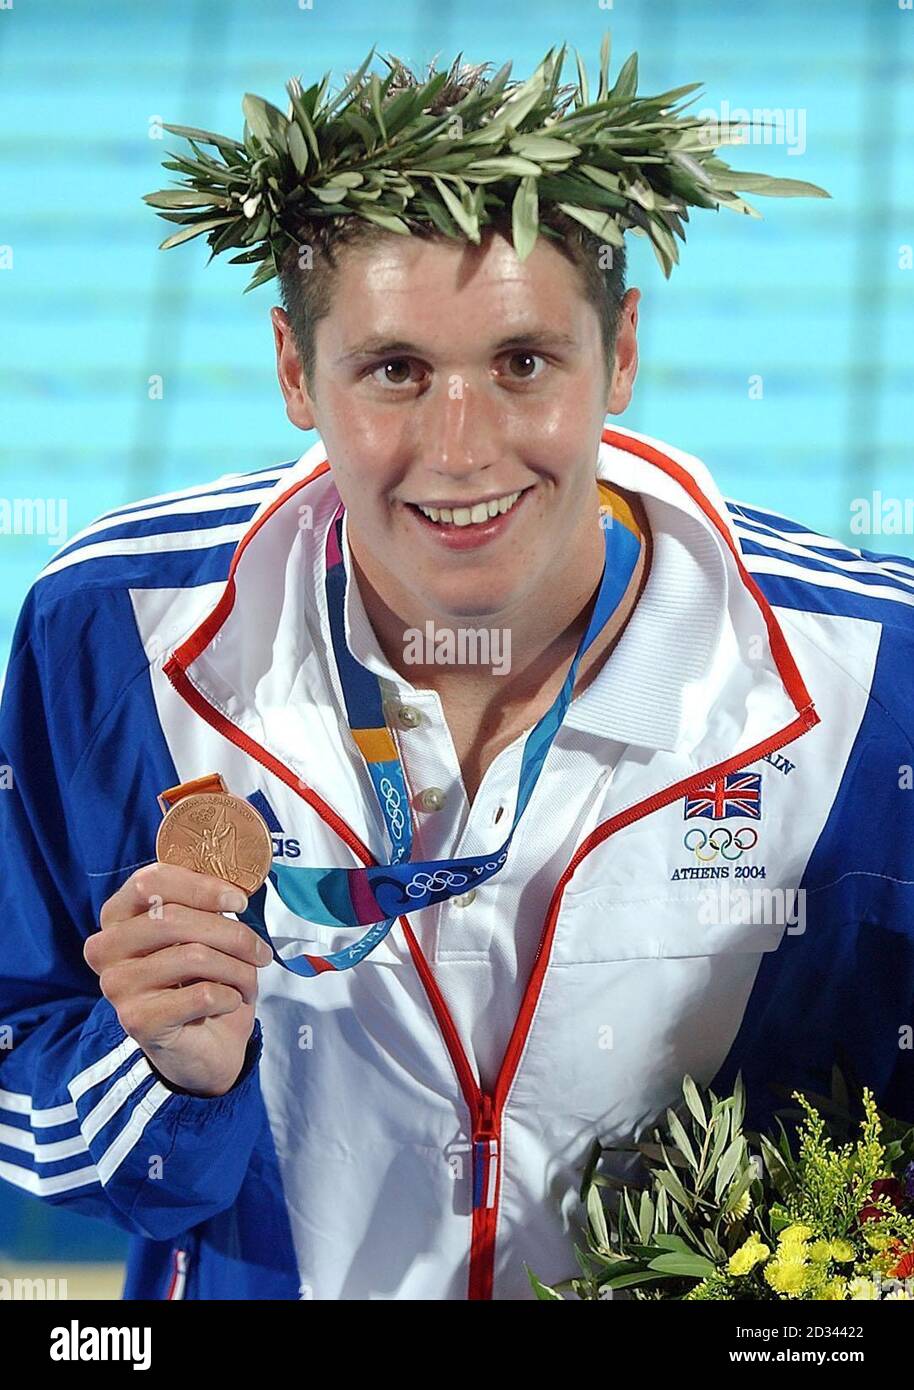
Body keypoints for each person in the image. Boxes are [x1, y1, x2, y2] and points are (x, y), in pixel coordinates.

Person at [1, 39, 911, 1302]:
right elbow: (19, 1053)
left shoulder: (869, 678)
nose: (461, 448)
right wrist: (150, 1071)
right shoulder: (111, 634)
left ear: (623, 351)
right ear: (290, 370)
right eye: (394, 370)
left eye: (522, 362)